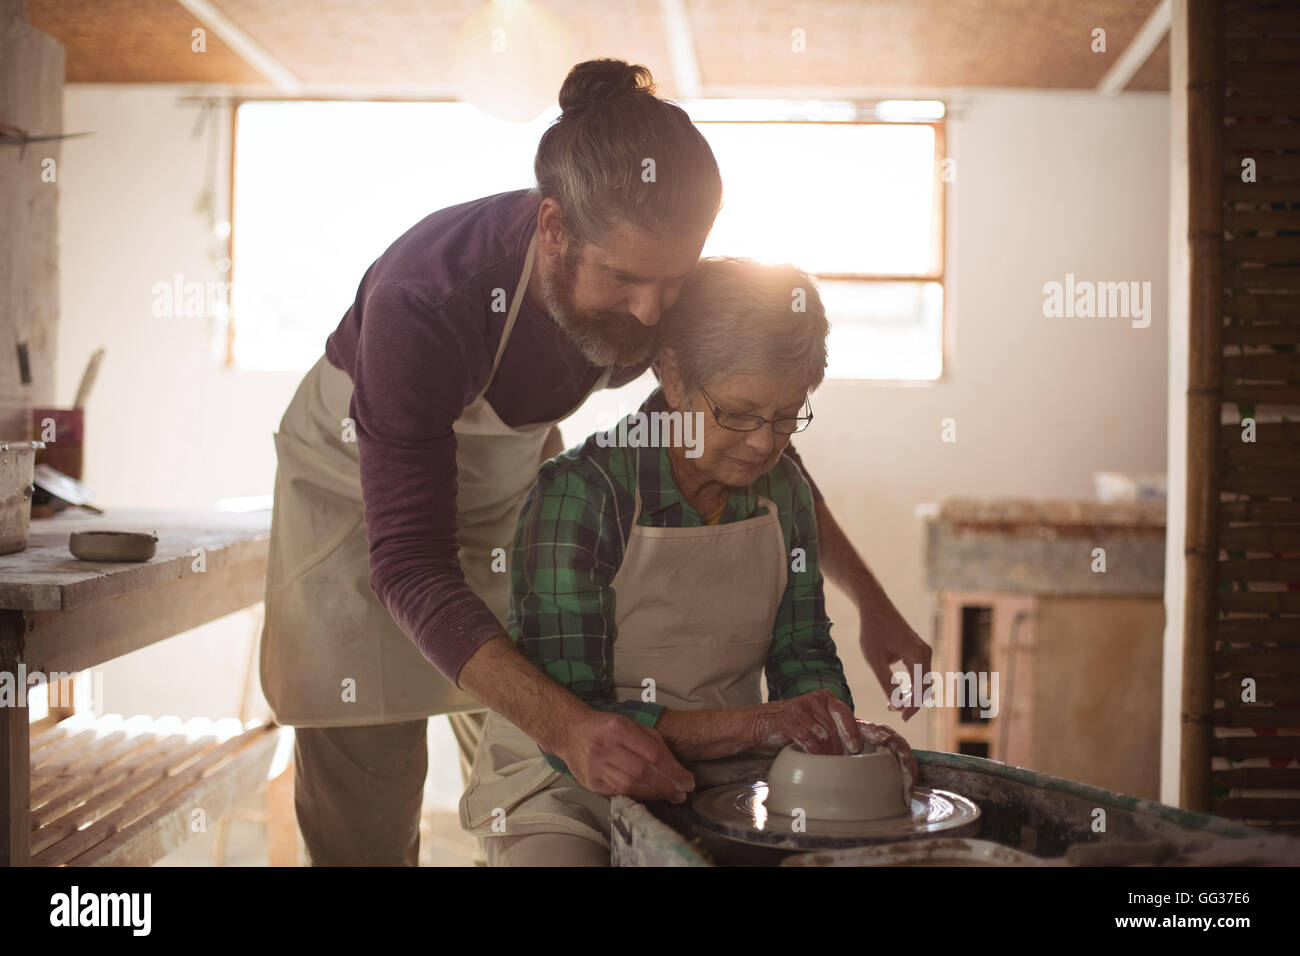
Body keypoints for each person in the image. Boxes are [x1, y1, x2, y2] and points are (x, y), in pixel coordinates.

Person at [261, 58, 929, 867]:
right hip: (357, 505)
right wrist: (570, 728)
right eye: (623, 280)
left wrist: (875, 603)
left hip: (506, 489)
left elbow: (746, 444)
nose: (652, 312)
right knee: (369, 789)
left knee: (517, 751)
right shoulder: (425, 301)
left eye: (673, 281)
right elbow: (408, 562)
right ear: (553, 230)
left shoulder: (654, 285)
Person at [460, 258, 918, 866]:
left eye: (787, 417)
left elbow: (800, 651)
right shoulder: (583, 494)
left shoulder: (784, 492)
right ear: (672, 374)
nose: (764, 443)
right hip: (564, 778)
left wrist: (835, 735)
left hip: (720, 773)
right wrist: (760, 725)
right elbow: (577, 710)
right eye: (738, 413)